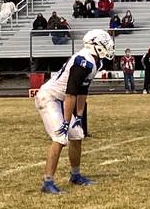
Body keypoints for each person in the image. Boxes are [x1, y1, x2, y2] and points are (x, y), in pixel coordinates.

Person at [37, 30, 112, 193]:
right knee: (60, 137)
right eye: (105, 43)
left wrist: (78, 116)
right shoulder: (82, 61)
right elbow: (71, 93)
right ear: (95, 45)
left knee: (77, 134)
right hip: (50, 97)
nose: (109, 46)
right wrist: (65, 122)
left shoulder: (94, 62)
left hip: (61, 99)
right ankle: (47, 182)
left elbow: (82, 90)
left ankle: (75, 175)